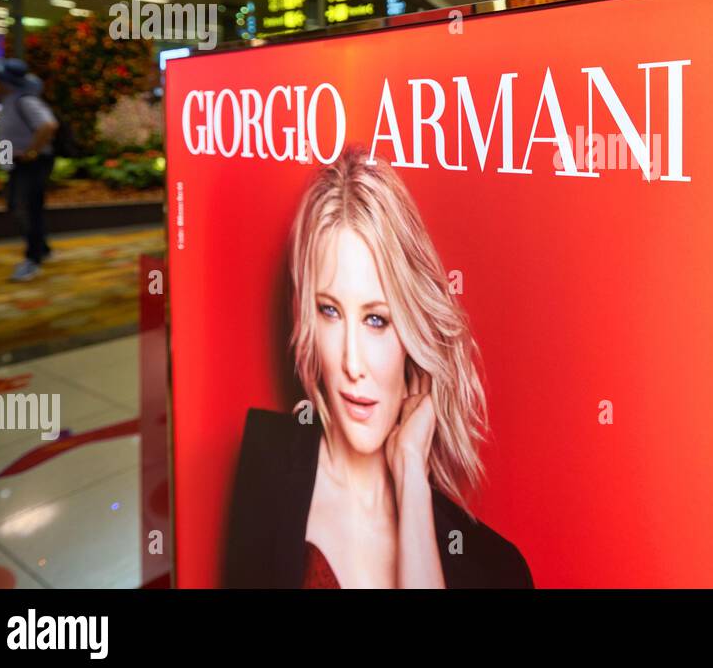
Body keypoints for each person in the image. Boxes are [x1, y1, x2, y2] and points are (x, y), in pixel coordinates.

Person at [225, 148, 532, 588]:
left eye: (376, 320)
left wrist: (410, 475)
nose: (352, 363)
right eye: (330, 311)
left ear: (414, 330)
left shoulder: (495, 568)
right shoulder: (266, 470)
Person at [0, 56, 57, 281]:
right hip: (20, 164)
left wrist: (32, 151)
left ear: (5, 81)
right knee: (25, 206)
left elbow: (48, 125)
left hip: (31, 163)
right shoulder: (10, 101)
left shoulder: (24, 101)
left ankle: (32, 259)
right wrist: (5, 162)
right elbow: (6, 137)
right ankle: (41, 248)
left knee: (24, 207)